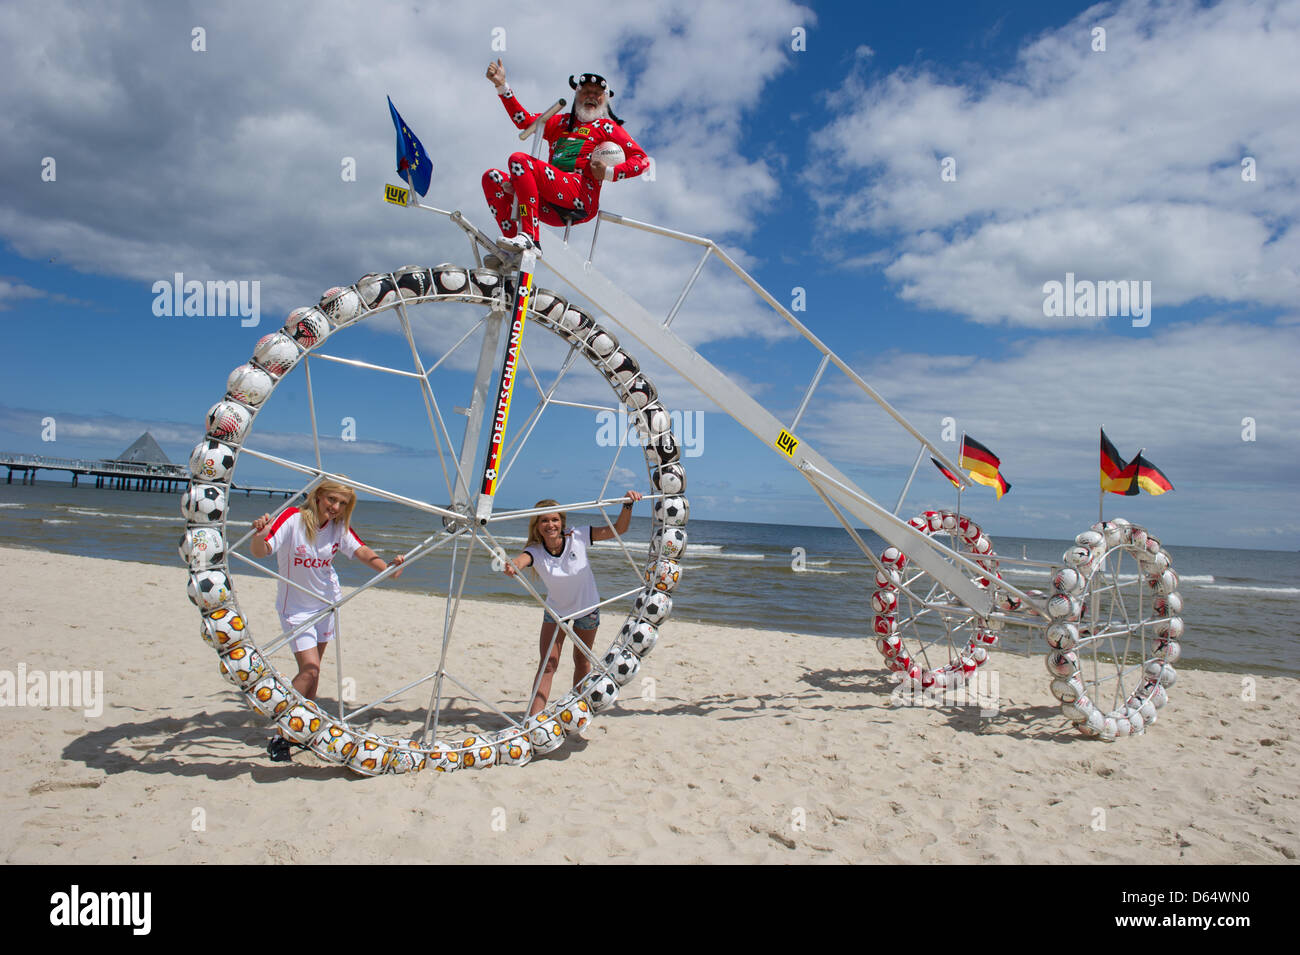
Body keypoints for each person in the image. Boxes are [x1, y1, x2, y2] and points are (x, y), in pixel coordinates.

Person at [251, 481, 404, 761]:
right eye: (332, 500)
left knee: (316, 672)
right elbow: (261, 551)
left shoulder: (338, 528)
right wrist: (259, 534)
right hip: (295, 609)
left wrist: (388, 568)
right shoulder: (292, 520)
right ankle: (280, 735)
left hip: (326, 604)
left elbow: (361, 552)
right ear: (319, 496)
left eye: (342, 503)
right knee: (308, 670)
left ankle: (302, 730)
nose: (335, 507)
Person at [482, 59, 649, 252]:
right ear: (577, 95)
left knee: (520, 161)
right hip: (547, 203)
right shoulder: (560, 122)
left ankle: (530, 238)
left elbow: (643, 161)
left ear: (606, 100)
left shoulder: (607, 127)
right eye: (586, 91)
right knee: (492, 178)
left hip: (580, 196)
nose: (591, 97)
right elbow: (524, 120)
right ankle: (512, 251)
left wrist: (610, 172)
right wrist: (502, 85)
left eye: (598, 94)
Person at [503, 491, 643, 717]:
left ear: (562, 522)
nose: (551, 524)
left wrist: (628, 505)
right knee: (548, 664)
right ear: (537, 525)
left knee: (581, 660)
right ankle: (532, 719)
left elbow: (618, 529)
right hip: (556, 612)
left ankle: (575, 711)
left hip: (587, 610)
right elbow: (521, 560)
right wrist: (512, 565)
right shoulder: (535, 551)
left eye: (555, 519)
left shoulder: (577, 536)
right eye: (545, 520)